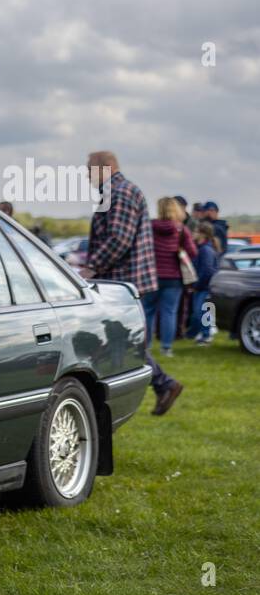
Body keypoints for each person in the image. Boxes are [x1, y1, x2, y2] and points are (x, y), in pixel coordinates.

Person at [80, 151, 183, 415]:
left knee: (124, 344)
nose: (86, 173)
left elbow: (119, 239)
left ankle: (160, 385)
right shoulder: (119, 191)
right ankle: (157, 386)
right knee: (120, 343)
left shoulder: (120, 192)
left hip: (123, 282)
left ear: (106, 167)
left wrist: (91, 267)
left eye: (90, 168)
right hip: (126, 280)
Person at [147, 196, 196, 356]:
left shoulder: (149, 227)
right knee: (169, 312)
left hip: (151, 276)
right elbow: (193, 252)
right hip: (174, 277)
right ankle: (166, 347)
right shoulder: (181, 229)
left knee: (147, 311)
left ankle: (144, 347)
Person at [188, 223, 219, 345]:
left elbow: (207, 271)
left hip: (204, 287)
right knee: (199, 312)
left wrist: (197, 285)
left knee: (202, 311)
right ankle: (200, 334)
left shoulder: (206, 250)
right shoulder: (201, 248)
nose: (193, 234)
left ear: (202, 234)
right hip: (201, 287)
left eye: (195, 231)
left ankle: (206, 336)